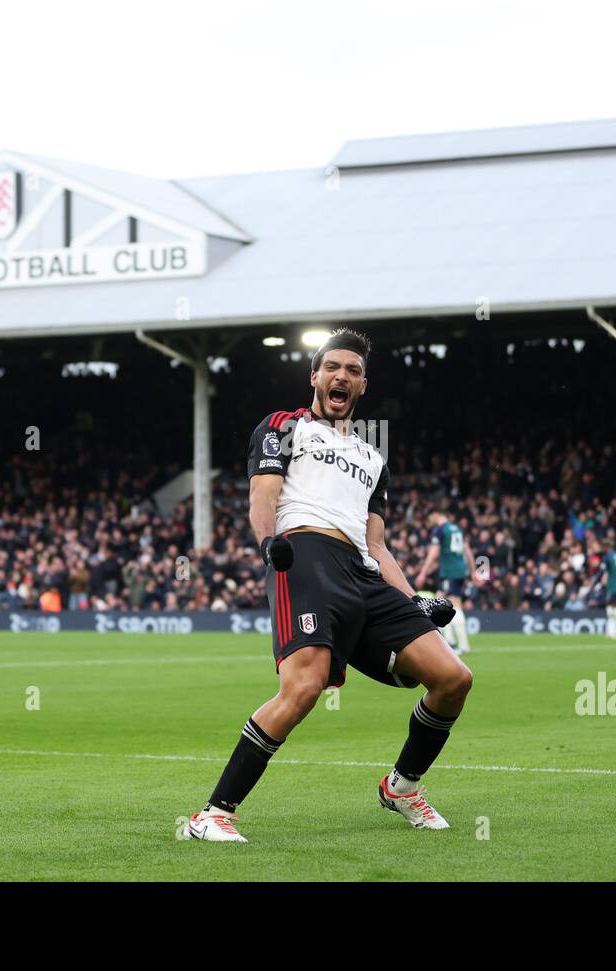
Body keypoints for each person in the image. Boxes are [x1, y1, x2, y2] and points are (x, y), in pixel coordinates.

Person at [186, 329, 472, 843]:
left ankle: (402, 786)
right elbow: (263, 494)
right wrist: (268, 542)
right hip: (305, 557)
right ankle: (212, 814)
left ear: (363, 385)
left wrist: (414, 600)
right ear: (314, 376)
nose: (342, 376)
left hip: (362, 573)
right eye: (332, 367)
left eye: (353, 371)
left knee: (453, 678)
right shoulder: (283, 426)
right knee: (303, 687)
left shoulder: (372, 458)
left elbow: (377, 545)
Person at [414, 510, 480, 653]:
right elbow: (467, 551)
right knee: (441, 601)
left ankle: (458, 645)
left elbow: (434, 552)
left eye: (429, 518)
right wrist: (473, 570)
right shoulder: (457, 529)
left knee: (452, 604)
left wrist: (423, 573)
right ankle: (453, 643)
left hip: (449, 572)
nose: (429, 521)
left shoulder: (440, 530)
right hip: (459, 572)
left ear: (435, 514)